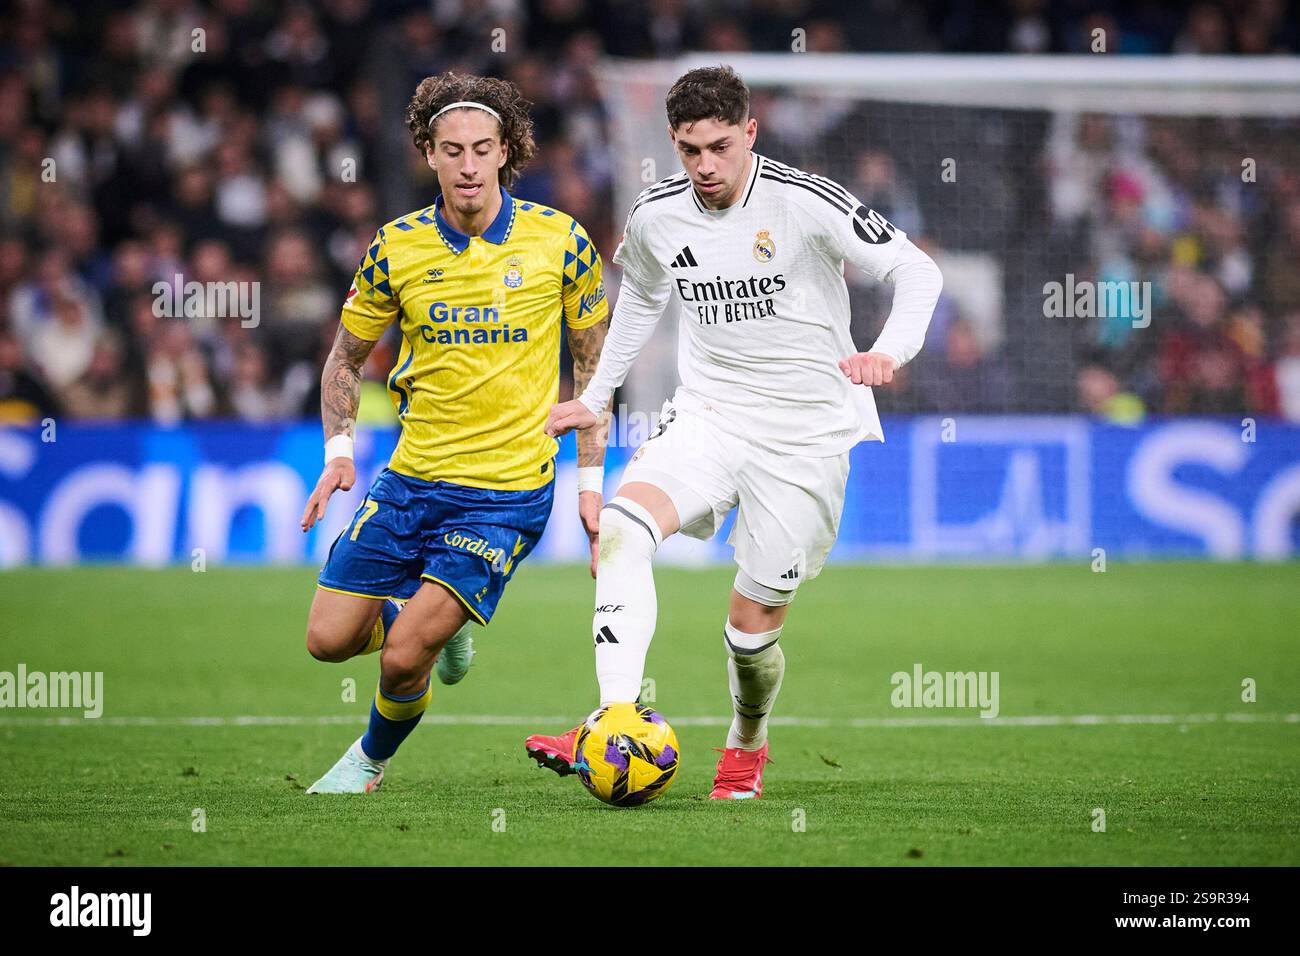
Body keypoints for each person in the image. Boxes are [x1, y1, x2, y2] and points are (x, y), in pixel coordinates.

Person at [525, 65, 942, 799]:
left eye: (720, 146)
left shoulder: (804, 201)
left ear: (750, 132)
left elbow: (917, 271)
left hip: (806, 437)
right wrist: (595, 395)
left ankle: (747, 739)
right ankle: (614, 717)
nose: (706, 166)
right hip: (709, 414)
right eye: (690, 150)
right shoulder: (657, 215)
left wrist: (888, 350)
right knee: (624, 529)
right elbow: (643, 298)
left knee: (751, 634)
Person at [300, 72, 610, 793]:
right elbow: (344, 359)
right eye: (451, 151)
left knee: (403, 655)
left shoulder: (559, 242)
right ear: (428, 154)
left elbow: (595, 366)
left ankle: (367, 762)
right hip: (410, 480)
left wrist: (590, 484)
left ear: (506, 151)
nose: (468, 166)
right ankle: (443, 614)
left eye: (481, 149)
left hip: (505, 493)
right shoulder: (395, 247)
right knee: (327, 641)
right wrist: (339, 451)